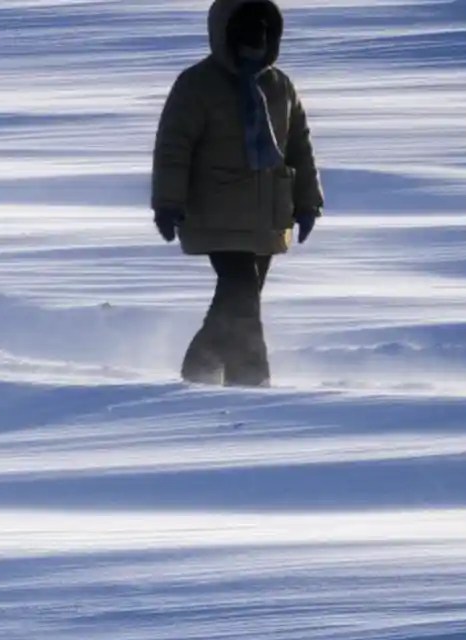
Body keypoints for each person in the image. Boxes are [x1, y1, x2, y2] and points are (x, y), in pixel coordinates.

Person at [151, 0, 323, 387]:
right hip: (217, 212)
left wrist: (307, 202)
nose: (254, 46)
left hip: (267, 214)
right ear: (226, 35)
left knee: (237, 300)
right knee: (242, 294)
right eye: (246, 37)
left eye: (261, 36)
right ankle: (251, 383)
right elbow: (173, 148)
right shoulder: (197, 85)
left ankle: (199, 371)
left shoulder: (279, 86)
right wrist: (167, 203)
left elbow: (299, 146)